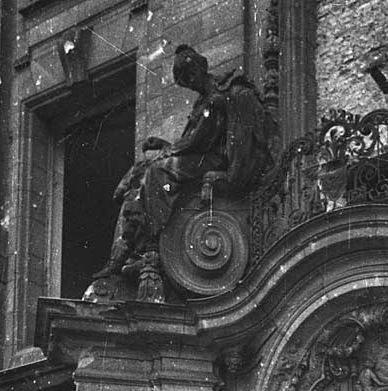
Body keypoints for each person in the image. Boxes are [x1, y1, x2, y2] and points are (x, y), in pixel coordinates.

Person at [98, 44, 273, 277]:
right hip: (202, 157)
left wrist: (166, 152)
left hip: (217, 160)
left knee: (158, 172)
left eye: (190, 79)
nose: (191, 85)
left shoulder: (225, 92)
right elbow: (194, 140)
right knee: (142, 172)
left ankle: (151, 247)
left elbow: (204, 141)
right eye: (186, 82)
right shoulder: (205, 100)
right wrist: (164, 146)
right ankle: (126, 249)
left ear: (197, 71)